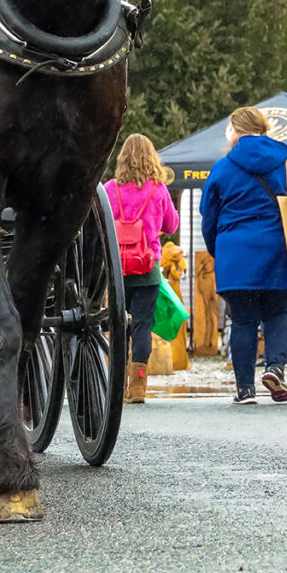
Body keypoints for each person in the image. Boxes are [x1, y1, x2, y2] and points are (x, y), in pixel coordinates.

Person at [200, 106, 287, 405]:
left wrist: (219, 250)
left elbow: (209, 217)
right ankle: (275, 368)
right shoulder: (286, 163)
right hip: (279, 250)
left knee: (243, 320)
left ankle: (245, 390)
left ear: (235, 131)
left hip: (236, 255)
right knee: (278, 313)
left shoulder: (223, 167)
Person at [103, 133, 180, 405]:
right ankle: (138, 387)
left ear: (122, 158)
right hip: (147, 269)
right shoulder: (158, 190)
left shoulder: (110, 189)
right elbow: (171, 225)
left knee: (117, 326)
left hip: (117, 269)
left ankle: (117, 383)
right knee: (142, 326)